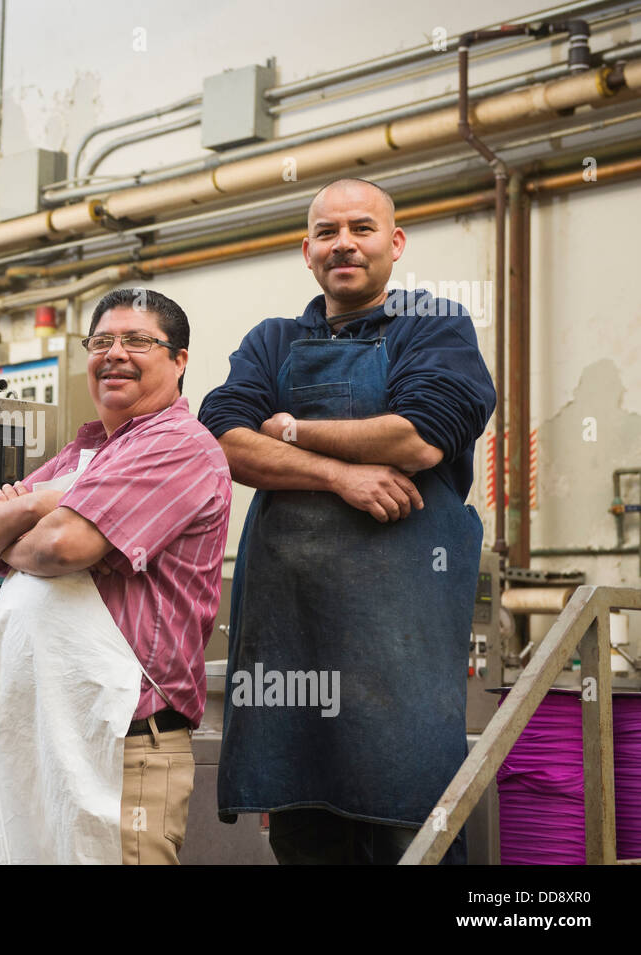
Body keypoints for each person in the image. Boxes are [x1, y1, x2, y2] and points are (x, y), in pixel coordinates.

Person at [198, 178, 497, 864]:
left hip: (402, 647)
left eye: (362, 228)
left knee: (413, 831)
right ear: (307, 251)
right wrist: (341, 474)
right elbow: (221, 439)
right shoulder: (272, 341)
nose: (344, 244)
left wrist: (292, 431)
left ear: (393, 243)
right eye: (327, 232)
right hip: (289, 644)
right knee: (304, 830)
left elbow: (419, 438)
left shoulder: (435, 325)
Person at [0, 287, 231, 864]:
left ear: (179, 360)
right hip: (44, 741)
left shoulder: (178, 445)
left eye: (138, 341)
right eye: (102, 341)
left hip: (123, 751)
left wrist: (32, 513)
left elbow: (63, 546)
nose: (115, 354)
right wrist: (50, 499)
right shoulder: (82, 453)